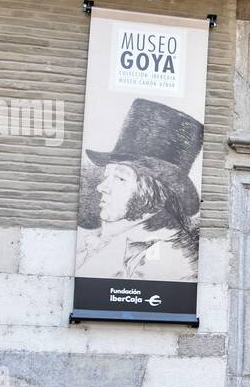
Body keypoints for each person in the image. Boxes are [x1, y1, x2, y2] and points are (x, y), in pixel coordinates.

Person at [75, 98, 203, 281]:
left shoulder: (172, 258)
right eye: (106, 176)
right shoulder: (105, 240)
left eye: (119, 178)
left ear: (154, 191)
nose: (101, 187)